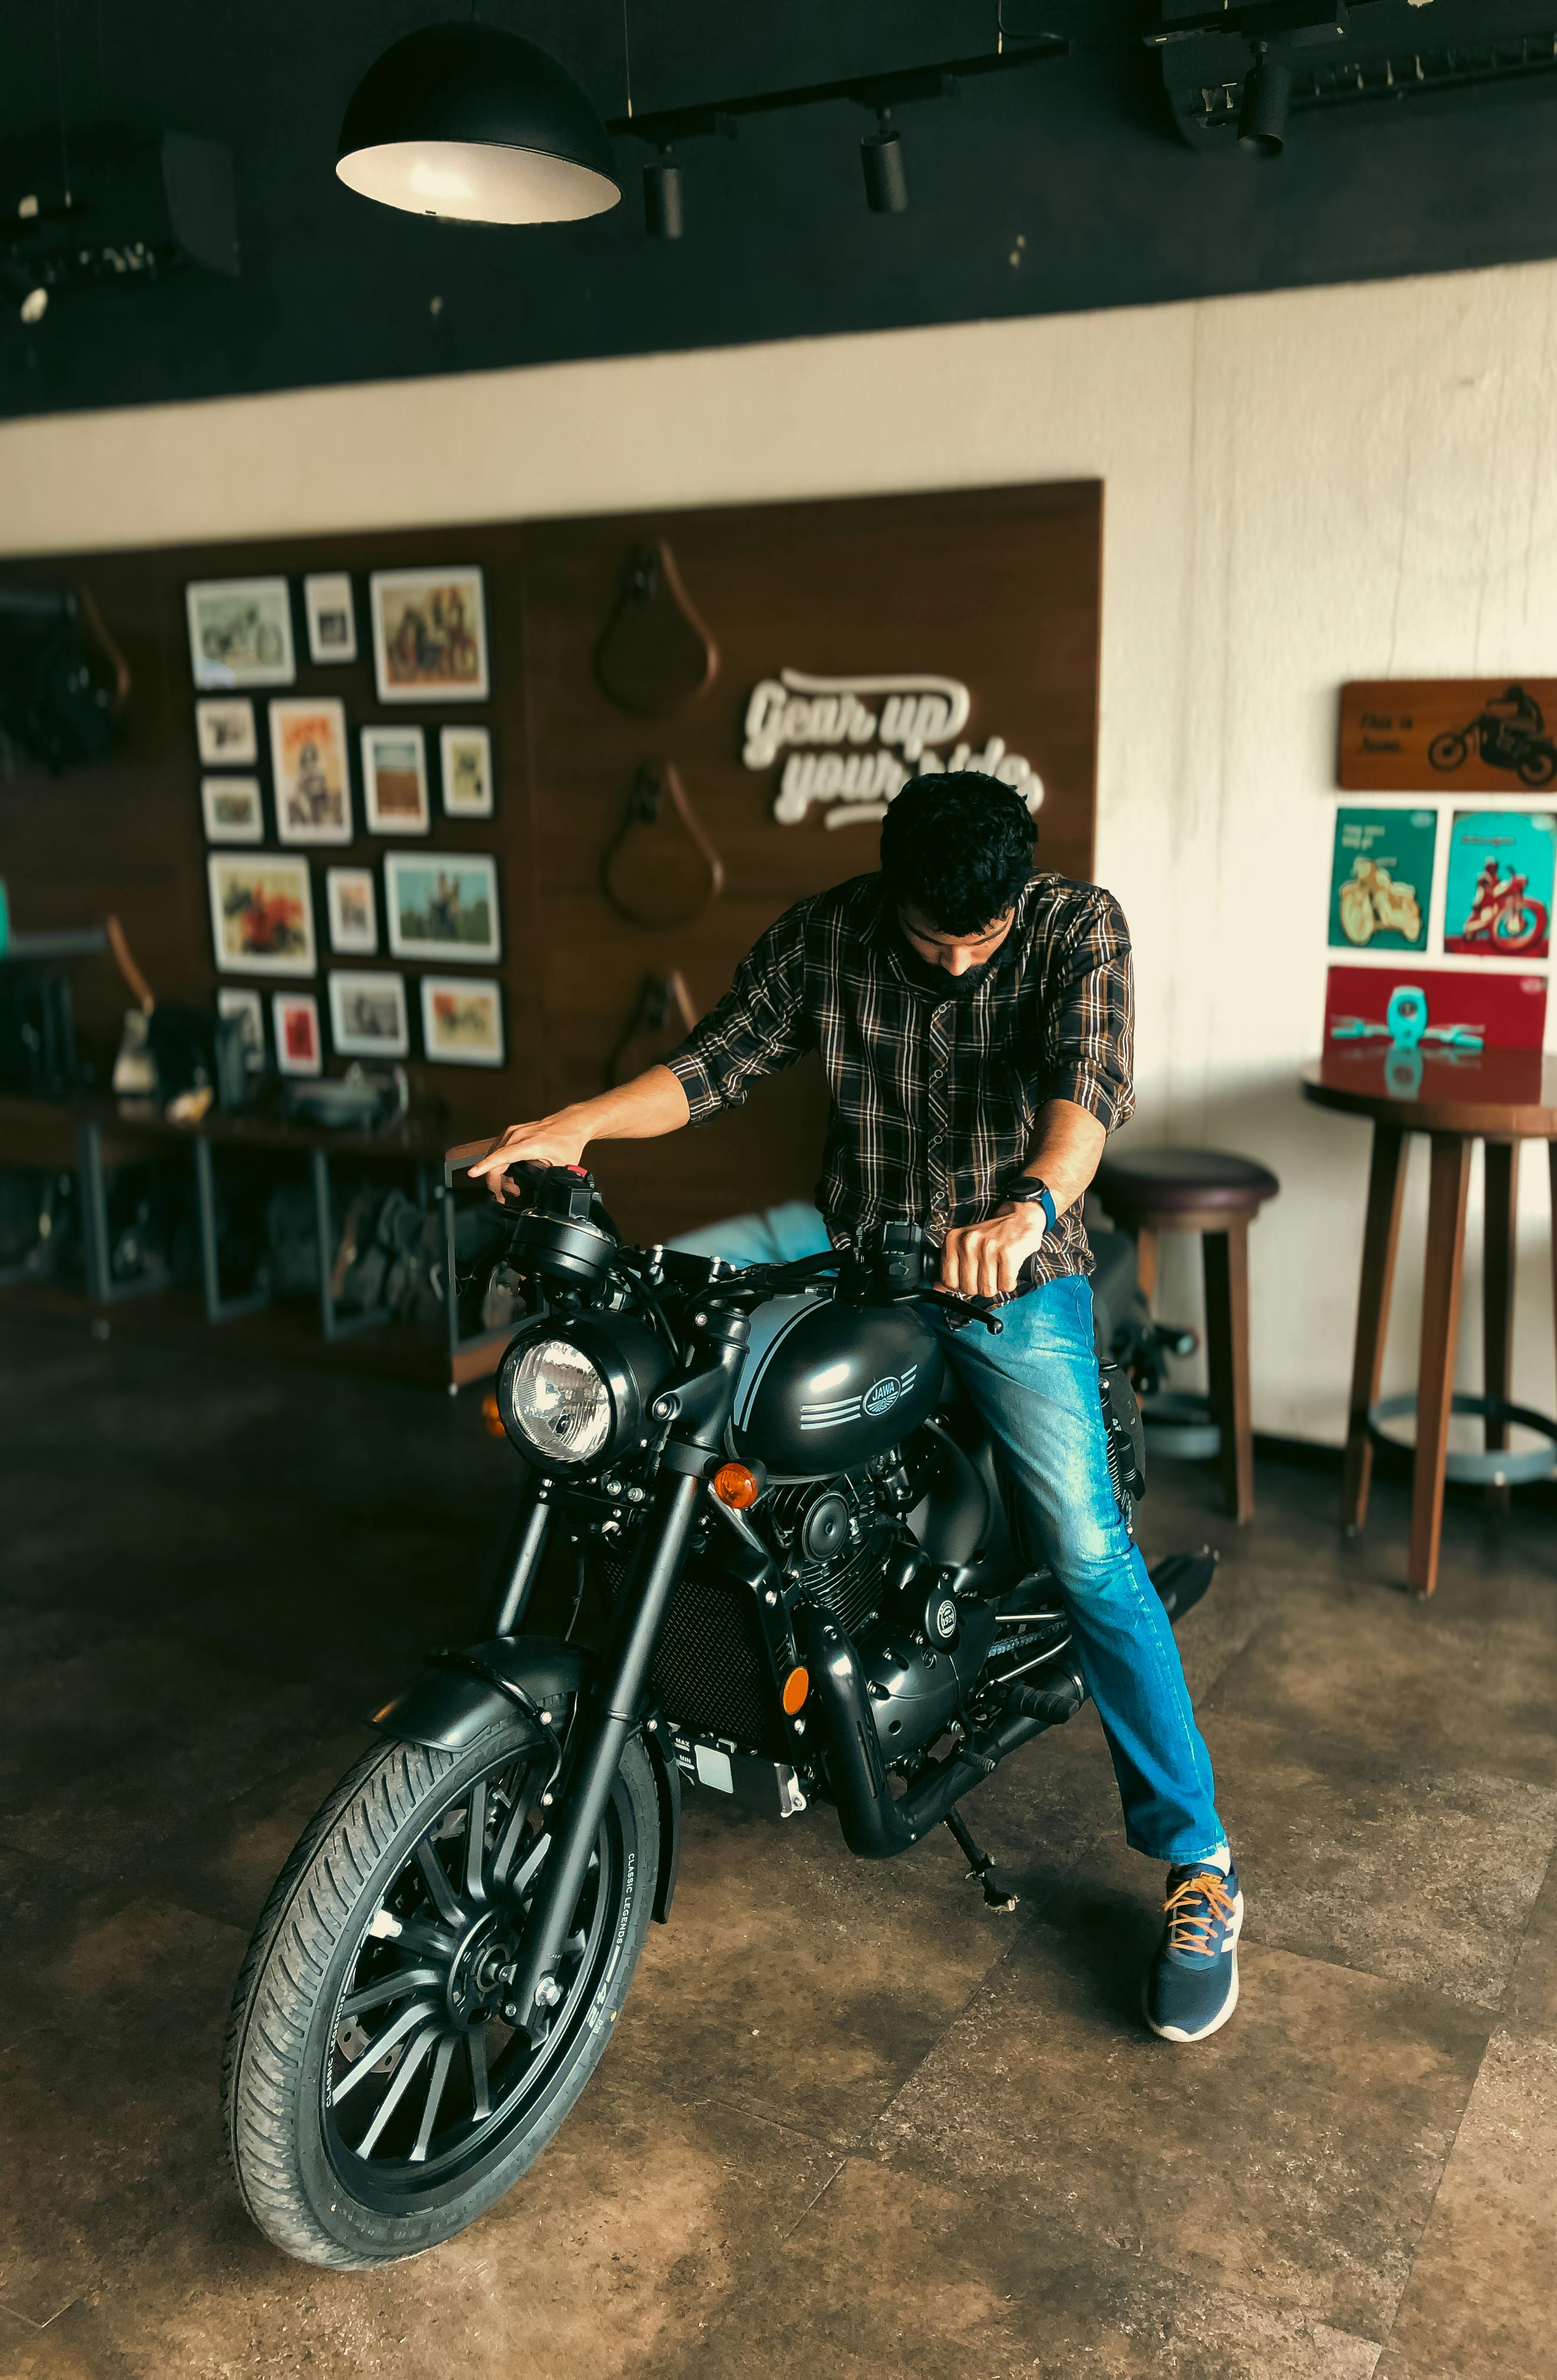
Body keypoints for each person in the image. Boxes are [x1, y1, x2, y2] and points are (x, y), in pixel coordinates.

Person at [470, 773, 1241, 2046]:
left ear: (1015, 897)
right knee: (660, 1393)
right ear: (889, 887)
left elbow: (1083, 1099)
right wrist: (573, 1129)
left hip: (1014, 1271)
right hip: (854, 1247)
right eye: (928, 933)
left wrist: (1026, 1212)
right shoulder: (827, 932)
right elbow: (708, 1066)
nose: (951, 957)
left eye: (975, 937)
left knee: (1090, 1552)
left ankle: (1199, 1858)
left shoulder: (1072, 928)